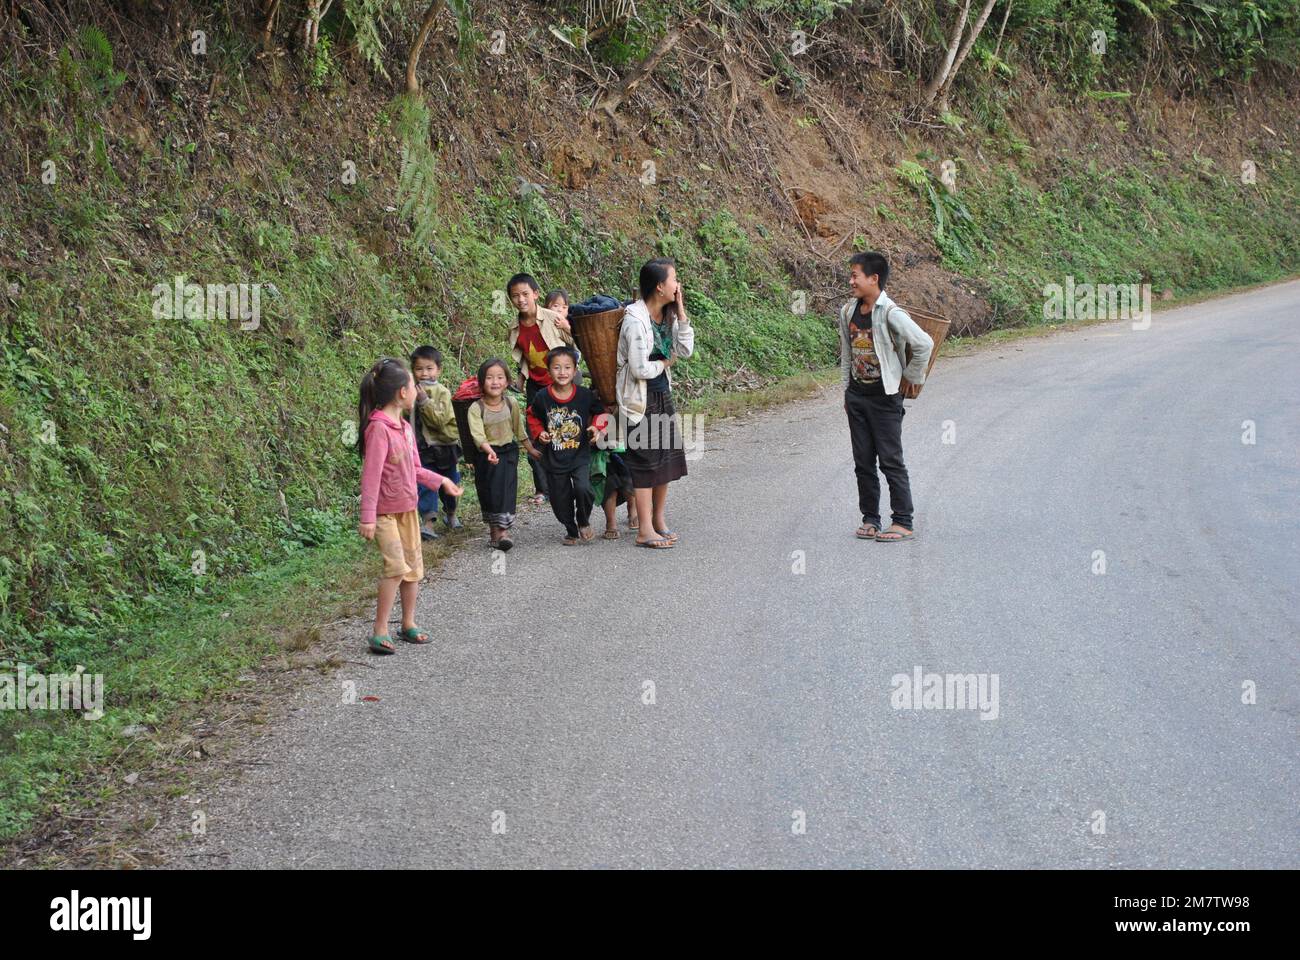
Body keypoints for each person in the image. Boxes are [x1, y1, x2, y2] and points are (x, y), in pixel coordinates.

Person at [357, 358, 463, 655]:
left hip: (408, 510)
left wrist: (442, 481)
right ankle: (380, 630)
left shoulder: (404, 426)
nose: (419, 390)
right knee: (394, 568)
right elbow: (371, 476)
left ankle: (408, 623)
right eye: (414, 386)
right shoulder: (379, 428)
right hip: (383, 514)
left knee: (413, 568)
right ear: (402, 393)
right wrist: (367, 518)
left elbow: (415, 469)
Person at [839, 251, 933, 543]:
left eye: (856, 275)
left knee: (890, 460)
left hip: (885, 400)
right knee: (862, 461)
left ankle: (902, 521)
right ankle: (870, 518)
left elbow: (924, 344)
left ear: (873, 278)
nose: (851, 280)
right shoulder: (847, 311)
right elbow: (847, 353)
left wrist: (910, 379)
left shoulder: (891, 313)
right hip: (857, 396)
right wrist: (846, 390)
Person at [615, 257, 694, 549]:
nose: (678, 285)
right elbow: (639, 369)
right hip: (639, 400)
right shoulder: (635, 320)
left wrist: (681, 310)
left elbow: (685, 350)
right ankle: (644, 530)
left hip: (661, 394)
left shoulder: (668, 314)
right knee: (646, 463)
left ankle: (658, 521)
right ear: (660, 286)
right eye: (674, 280)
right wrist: (664, 363)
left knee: (666, 460)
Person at [526, 346, 607, 544]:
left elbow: (600, 413)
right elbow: (532, 415)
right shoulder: (543, 397)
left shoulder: (584, 395)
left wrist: (596, 428)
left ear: (575, 370)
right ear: (548, 370)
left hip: (579, 455)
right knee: (560, 499)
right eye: (556, 368)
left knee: (584, 489)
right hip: (554, 457)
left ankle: (583, 520)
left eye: (567, 367)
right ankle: (570, 530)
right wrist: (540, 433)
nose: (562, 372)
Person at [506, 273, 573, 504]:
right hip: (536, 387)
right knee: (536, 435)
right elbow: (525, 357)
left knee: (565, 433)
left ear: (535, 294)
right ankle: (542, 489)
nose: (521, 299)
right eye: (515, 296)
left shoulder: (553, 317)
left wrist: (568, 328)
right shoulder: (514, 327)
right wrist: (521, 380)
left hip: (562, 385)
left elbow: (575, 344)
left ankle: (568, 481)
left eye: (525, 294)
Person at [468, 357, 537, 551]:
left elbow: (519, 429)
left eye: (500, 377)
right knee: (490, 491)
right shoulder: (476, 408)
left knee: (507, 490)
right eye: (489, 378)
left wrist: (531, 449)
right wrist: (489, 450)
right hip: (486, 456)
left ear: (507, 381)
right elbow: (478, 435)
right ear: (482, 382)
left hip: (508, 453)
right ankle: (495, 532)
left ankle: (502, 533)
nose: (495, 382)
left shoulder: (511, 403)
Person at [409, 345, 461, 540]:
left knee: (450, 484)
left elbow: (439, 421)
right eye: (419, 369)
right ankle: (428, 524)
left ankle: (451, 514)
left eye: (429, 368)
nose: (424, 373)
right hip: (422, 448)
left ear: (438, 369)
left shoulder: (442, 392)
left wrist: (424, 401)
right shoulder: (411, 391)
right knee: (426, 485)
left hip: (444, 446)